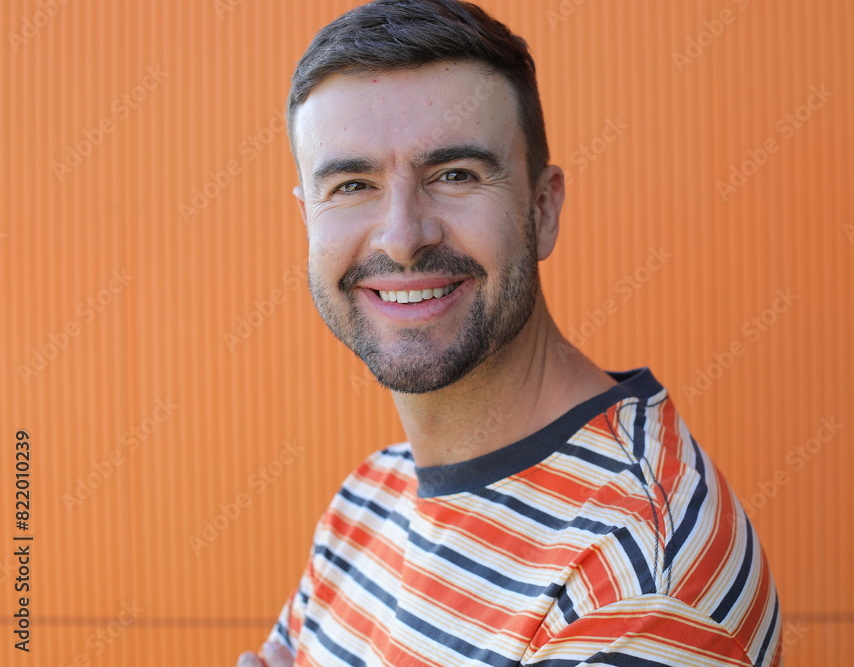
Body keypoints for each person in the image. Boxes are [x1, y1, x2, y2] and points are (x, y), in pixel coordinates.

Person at [238, 0, 782, 665]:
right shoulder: (368, 498)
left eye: (455, 175)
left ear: (543, 208)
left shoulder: (638, 576)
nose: (404, 237)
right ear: (308, 220)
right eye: (353, 185)